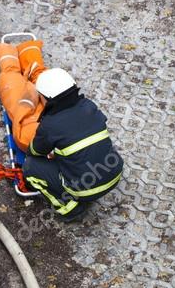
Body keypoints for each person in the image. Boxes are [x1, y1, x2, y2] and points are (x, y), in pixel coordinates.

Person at [22, 68, 123, 221]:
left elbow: (35, 151)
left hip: (85, 189)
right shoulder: (89, 106)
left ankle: (70, 210)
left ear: (47, 99)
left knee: (30, 166)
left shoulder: (50, 125)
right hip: (114, 173)